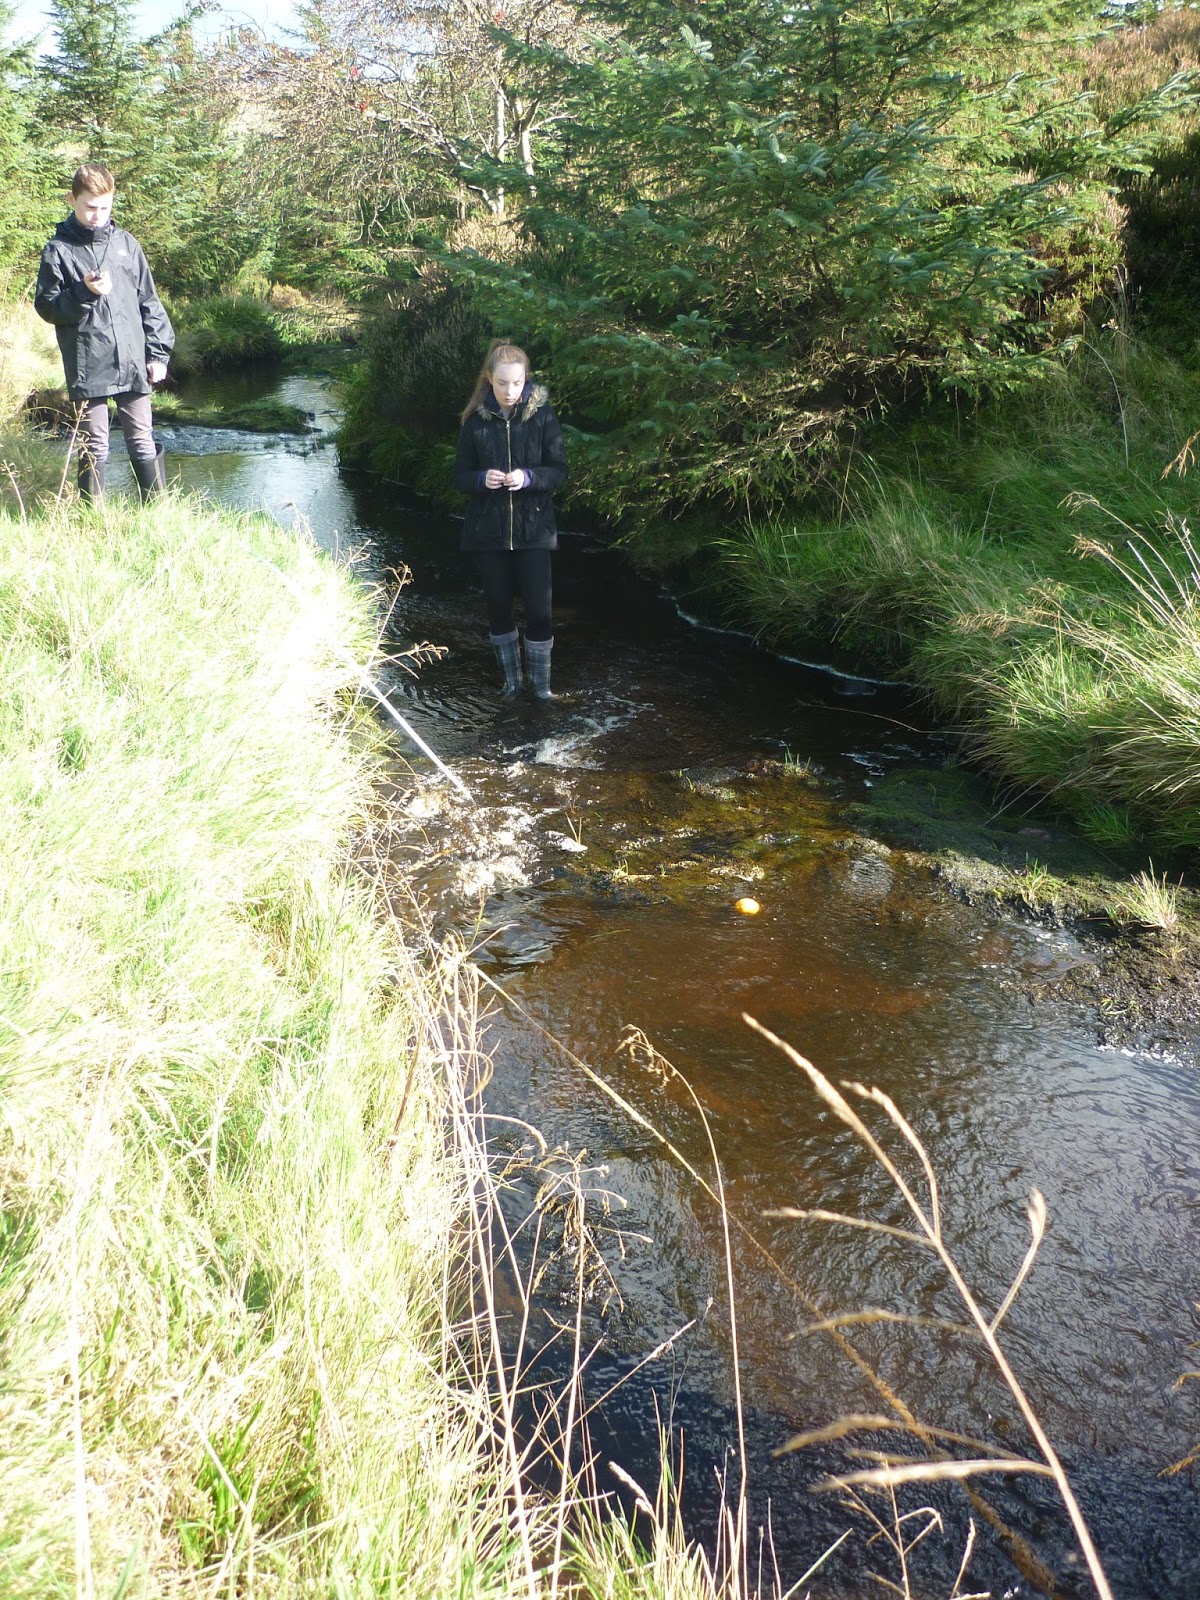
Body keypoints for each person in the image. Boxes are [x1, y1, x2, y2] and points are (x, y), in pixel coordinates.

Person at [35, 163, 174, 503]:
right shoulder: (58, 251)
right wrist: (83, 291)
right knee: (95, 444)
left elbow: (149, 302)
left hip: (132, 361)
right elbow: (48, 308)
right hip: (87, 362)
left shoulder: (126, 244)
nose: (97, 215)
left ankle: (158, 512)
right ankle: (92, 517)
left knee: (142, 439)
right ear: (72, 200)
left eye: (104, 207)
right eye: (89, 207)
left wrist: (158, 354)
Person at [453, 340, 568, 699]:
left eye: (517, 383)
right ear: (489, 380)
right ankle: (512, 686)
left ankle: (542, 691)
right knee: (499, 610)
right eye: (502, 383)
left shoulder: (543, 415)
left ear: (525, 379)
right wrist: (479, 480)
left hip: (534, 530)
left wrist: (528, 478)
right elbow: (460, 476)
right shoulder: (474, 422)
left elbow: (559, 471)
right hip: (489, 532)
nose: (510, 391)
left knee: (540, 613)